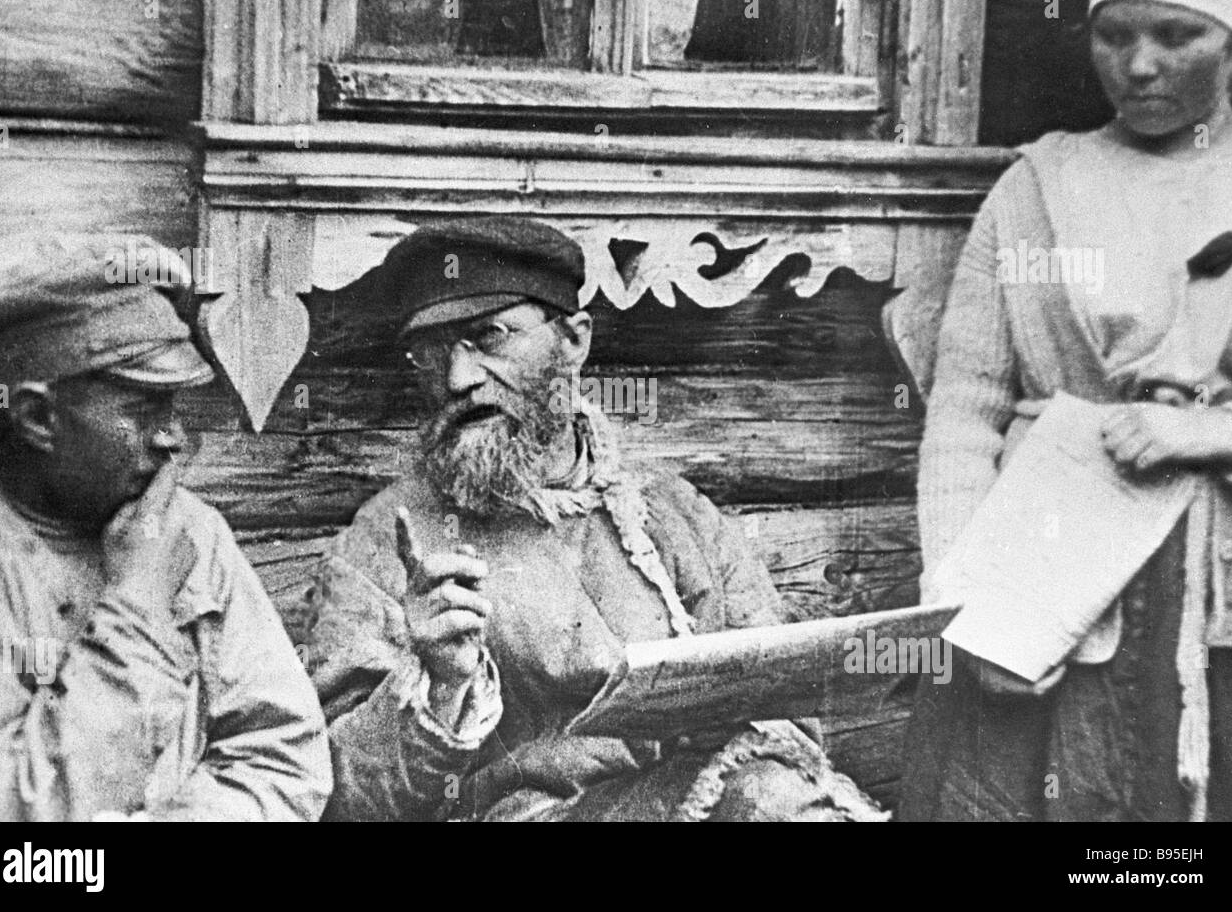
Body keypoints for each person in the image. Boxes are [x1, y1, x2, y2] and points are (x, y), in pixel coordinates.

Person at [306, 216, 884, 821]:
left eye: (491, 336)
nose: (459, 378)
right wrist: (442, 686)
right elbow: (335, 796)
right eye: (431, 354)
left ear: (574, 341)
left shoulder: (670, 510)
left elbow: (787, 715)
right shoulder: (385, 544)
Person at [901, 0, 1232, 822]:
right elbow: (966, 407)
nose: (1138, 65)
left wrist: (1220, 429)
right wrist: (967, 606)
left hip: (1219, 597)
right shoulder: (1038, 187)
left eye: (1176, 36)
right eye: (1114, 36)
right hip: (1040, 568)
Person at [0, 233, 332, 821]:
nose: (173, 437)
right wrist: (138, 608)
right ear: (35, 417)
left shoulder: (187, 532)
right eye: (142, 411)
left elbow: (283, 758)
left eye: (173, 410)